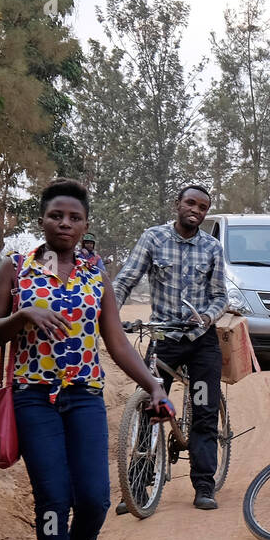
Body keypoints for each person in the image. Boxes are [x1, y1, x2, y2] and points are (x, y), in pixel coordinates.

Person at [0, 178, 172, 540]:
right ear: (41, 220)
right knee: (54, 499)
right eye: (55, 216)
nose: (64, 224)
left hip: (84, 396)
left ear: (86, 224)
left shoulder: (95, 273)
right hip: (33, 398)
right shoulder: (16, 268)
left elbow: (116, 341)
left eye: (74, 217)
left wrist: (153, 385)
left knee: (94, 498)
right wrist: (22, 316)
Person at [111, 185, 227, 510]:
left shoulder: (213, 248)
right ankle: (137, 485)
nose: (196, 210)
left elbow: (221, 297)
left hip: (201, 341)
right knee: (149, 408)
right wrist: (110, 318)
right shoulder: (153, 238)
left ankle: (204, 486)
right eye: (190, 203)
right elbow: (124, 281)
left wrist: (206, 317)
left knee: (204, 411)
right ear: (177, 204)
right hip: (163, 339)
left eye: (203, 207)